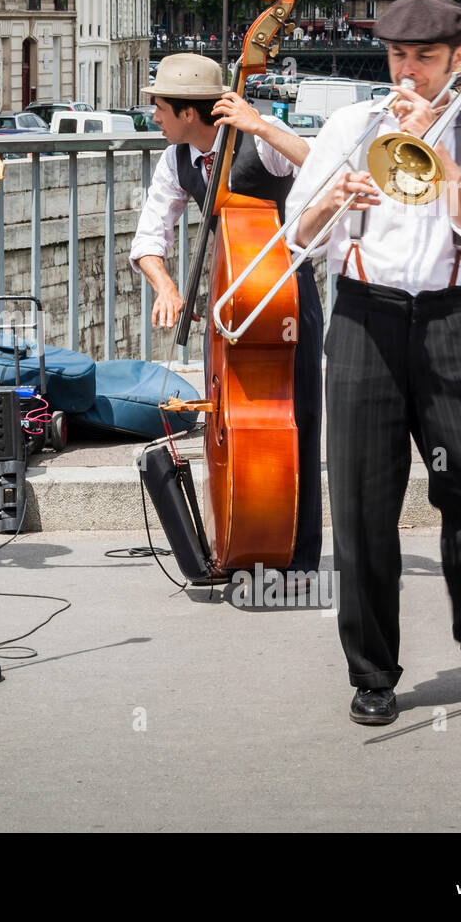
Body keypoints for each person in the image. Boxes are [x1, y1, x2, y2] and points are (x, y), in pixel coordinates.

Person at [285, 0, 461, 726]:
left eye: (425, 59)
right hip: (365, 318)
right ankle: (372, 670)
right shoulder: (349, 124)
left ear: (456, 58)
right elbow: (296, 238)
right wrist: (332, 197)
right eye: (398, 56)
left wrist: (434, 150)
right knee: (365, 506)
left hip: (447, 320)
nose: (409, 72)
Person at [129, 53, 323, 573]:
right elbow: (150, 236)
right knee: (235, 420)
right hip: (226, 293)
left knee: (296, 420)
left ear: (189, 113)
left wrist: (262, 124)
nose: (154, 116)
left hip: (283, 290)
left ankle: (300, 556)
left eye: (160, 108)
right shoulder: (175, 160)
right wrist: (167, 285)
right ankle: (243, 536)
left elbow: (322, 163)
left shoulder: (259, 137)